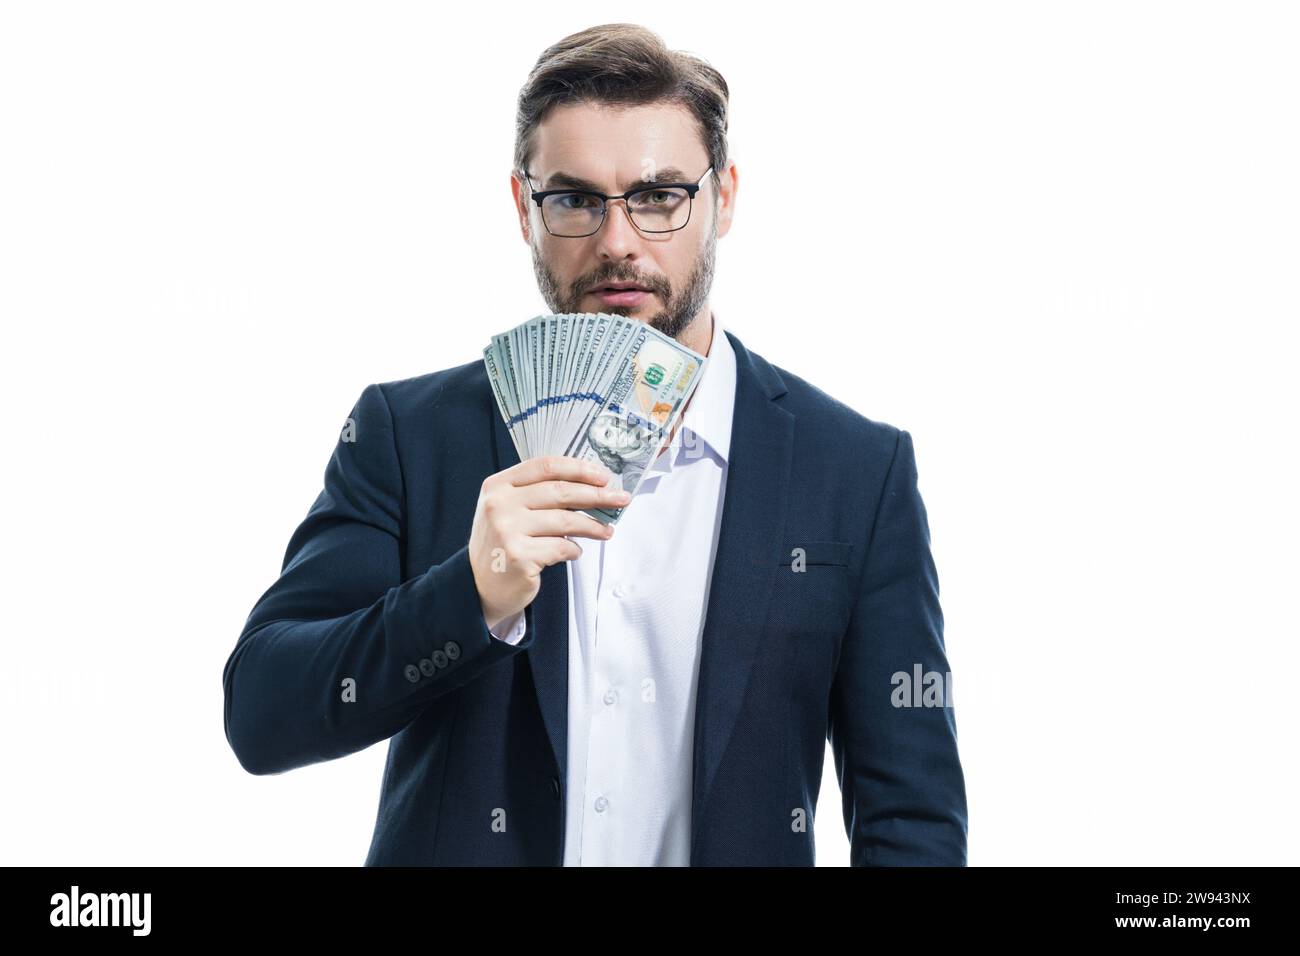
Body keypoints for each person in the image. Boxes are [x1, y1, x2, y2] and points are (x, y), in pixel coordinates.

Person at [222, 22, 968, 866]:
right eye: (575, 200)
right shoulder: (408, 436)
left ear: (723, 198)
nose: (617, 242)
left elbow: (912, 818)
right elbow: (262, 715)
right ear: (523, 208)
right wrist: (470, 595)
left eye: (658, 196)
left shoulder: (857, 473)